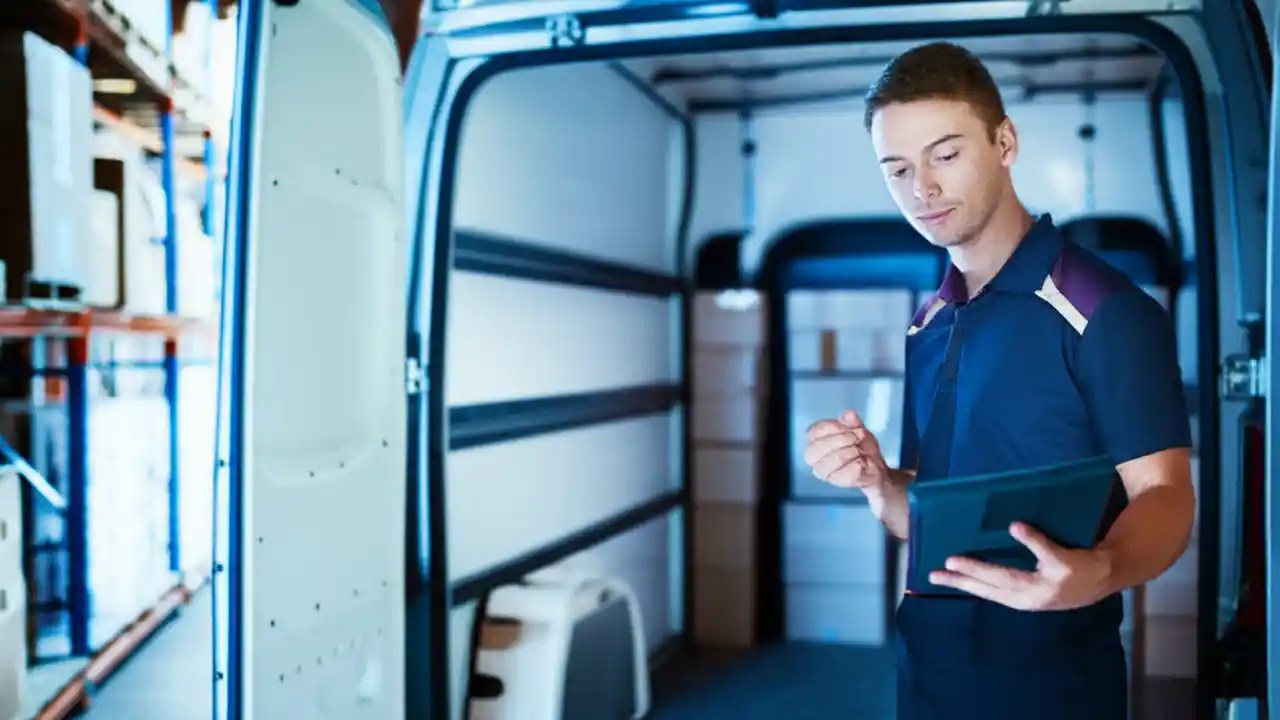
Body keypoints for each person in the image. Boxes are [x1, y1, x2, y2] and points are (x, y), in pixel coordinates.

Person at [802, 41, 1195, 719]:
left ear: (1004, 141)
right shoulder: (929, 324)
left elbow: (1167, 499)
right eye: (896, 169)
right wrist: (875, 481)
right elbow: (922, 513)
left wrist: (1100, 570)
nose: (920, 189)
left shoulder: (1103, 309)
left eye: (945, 155)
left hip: (1051, 683)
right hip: (926, 676)